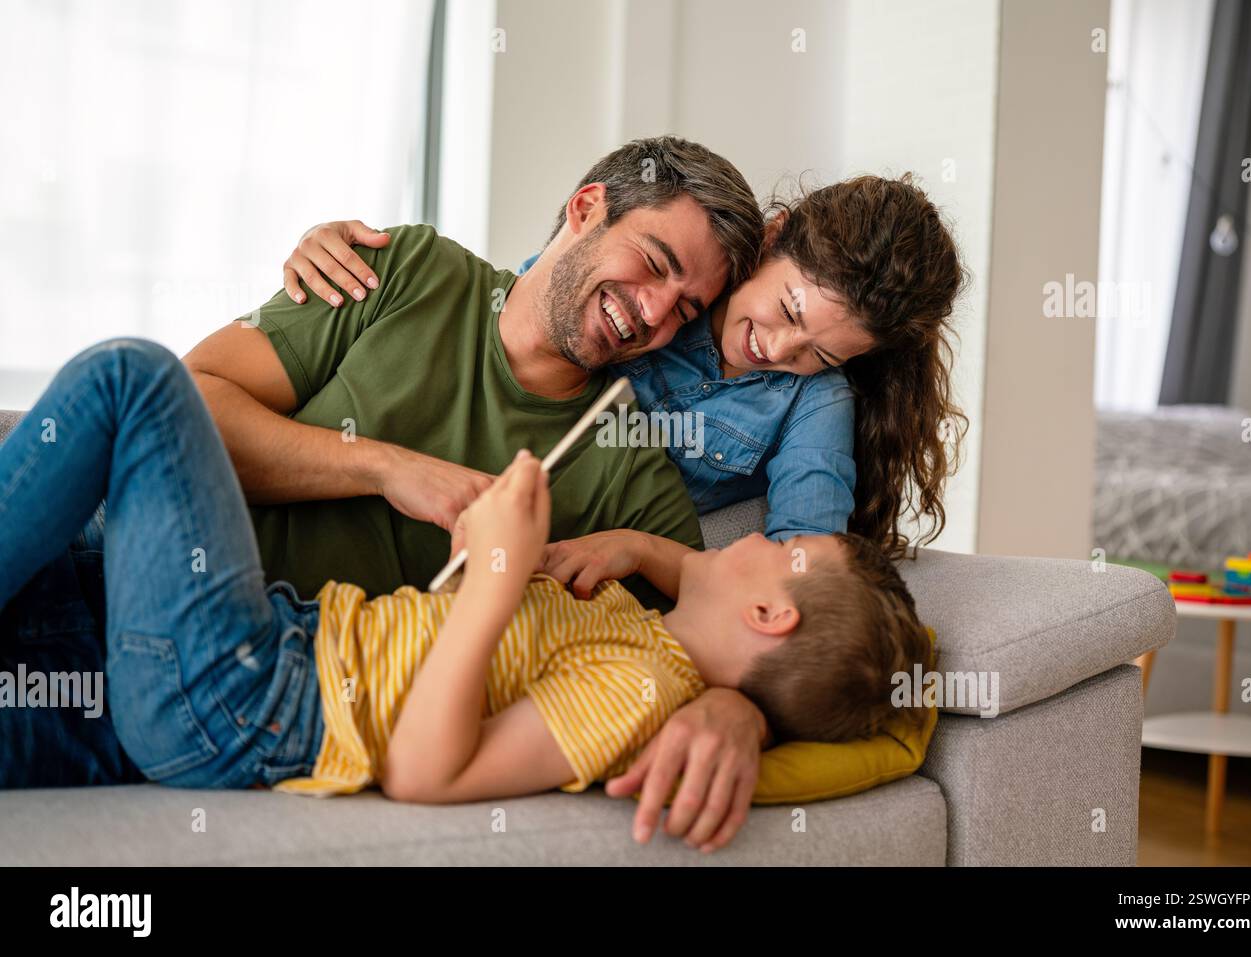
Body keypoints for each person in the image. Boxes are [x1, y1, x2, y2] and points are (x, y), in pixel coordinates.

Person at [0, 136, 777, 851]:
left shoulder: (628, 465)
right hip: (88, 550)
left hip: (199, 690)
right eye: (653, 261)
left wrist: (740, 713)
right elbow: (188, 411)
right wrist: (386, 467)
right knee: (129, 380)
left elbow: (723, 636)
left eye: (683, 308)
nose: (651, 313)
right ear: (586, 207)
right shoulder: (410, 270)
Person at [0, 339, 932, 854]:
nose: (760, 534)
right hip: (245, 656)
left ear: (772, 614)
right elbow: (690, 576)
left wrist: (492, 580)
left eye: (786, 546)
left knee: (137, 382)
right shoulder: (637, 621)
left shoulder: (643, 685)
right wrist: (625, 546)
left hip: (252, 696)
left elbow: (424, 773)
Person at [282, 174, 967, 602]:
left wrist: (642, 550)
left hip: (576, 555)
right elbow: (527, 306)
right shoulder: (672, 273)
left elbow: (800, 570)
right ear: (772, 237)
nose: (779, 349)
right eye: (789, 311)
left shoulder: (816, 402)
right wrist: (339, 246)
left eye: (819, 351)